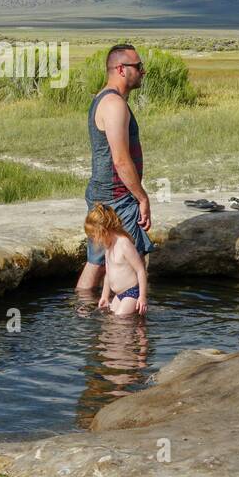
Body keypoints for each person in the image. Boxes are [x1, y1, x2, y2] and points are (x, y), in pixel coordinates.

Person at [77, 42, 154, 292]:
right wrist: (141, 197)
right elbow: (120, 160)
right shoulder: (114, 104)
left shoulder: (107, 100)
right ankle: (127, 328)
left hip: (105, 193)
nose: (143, 71)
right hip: (117, 196)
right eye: (138, 66)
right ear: (121, 69)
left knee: (98, 261)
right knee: (131, 263)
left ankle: (83, 314)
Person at [84, 203, 148, 316]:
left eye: (94, 235)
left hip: (132, 294)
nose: (94, 240)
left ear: (103, 230)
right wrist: (104, 296)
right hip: (119, 295)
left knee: (118, 322)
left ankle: (139, 330)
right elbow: (108, 274)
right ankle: (138, 329)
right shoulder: (108, 246)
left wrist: (142, 297)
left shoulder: (124, 244)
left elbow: (140, 270)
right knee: (109, 324)